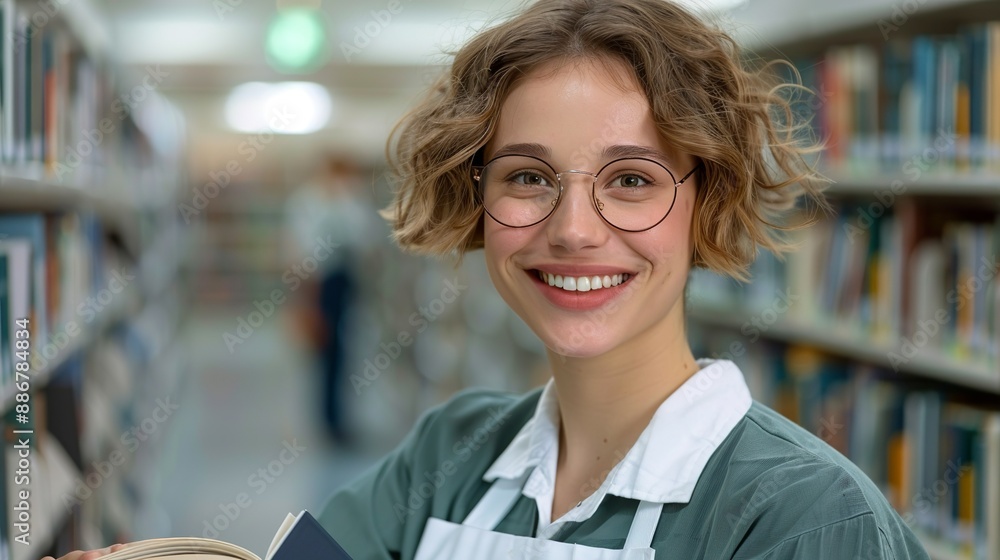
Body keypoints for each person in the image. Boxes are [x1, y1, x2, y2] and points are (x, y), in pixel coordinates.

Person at [49, 0, 930, 558]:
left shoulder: (806, 520)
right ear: (475, 201)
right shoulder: (453, 453)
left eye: (631, 179)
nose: (574, 229)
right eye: (528, 177)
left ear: (707, 204)